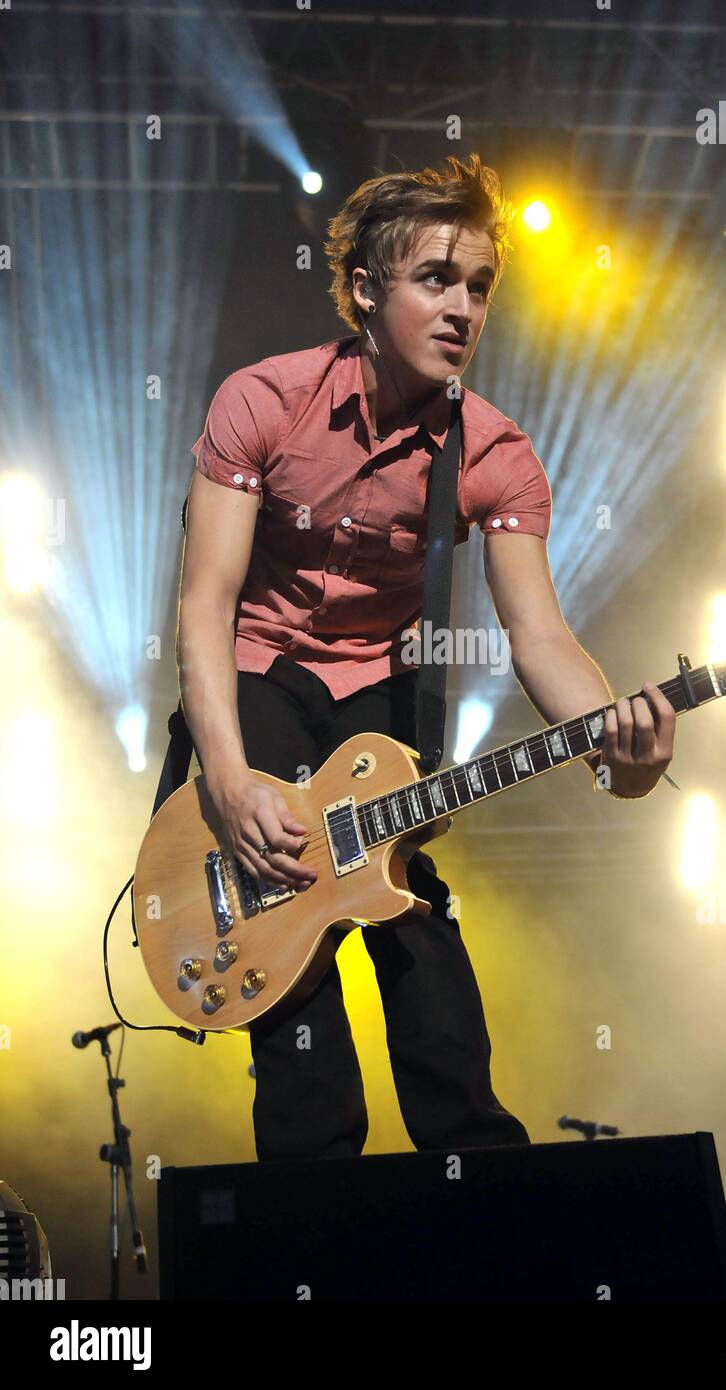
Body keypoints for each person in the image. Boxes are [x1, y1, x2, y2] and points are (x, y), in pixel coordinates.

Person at [177, 152, 677, 1162]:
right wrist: (227, 780)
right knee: (295, 963)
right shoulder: (262, 401)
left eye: (479, 288)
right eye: (435, 280)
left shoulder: (492, 453)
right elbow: (203, 605)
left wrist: (613, 749)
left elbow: (538, 635)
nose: (463, 308)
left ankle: (483, 1191)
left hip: (376, 691)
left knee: (416, 934)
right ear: (365, 288)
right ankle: (313, 1214)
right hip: (261, 675)